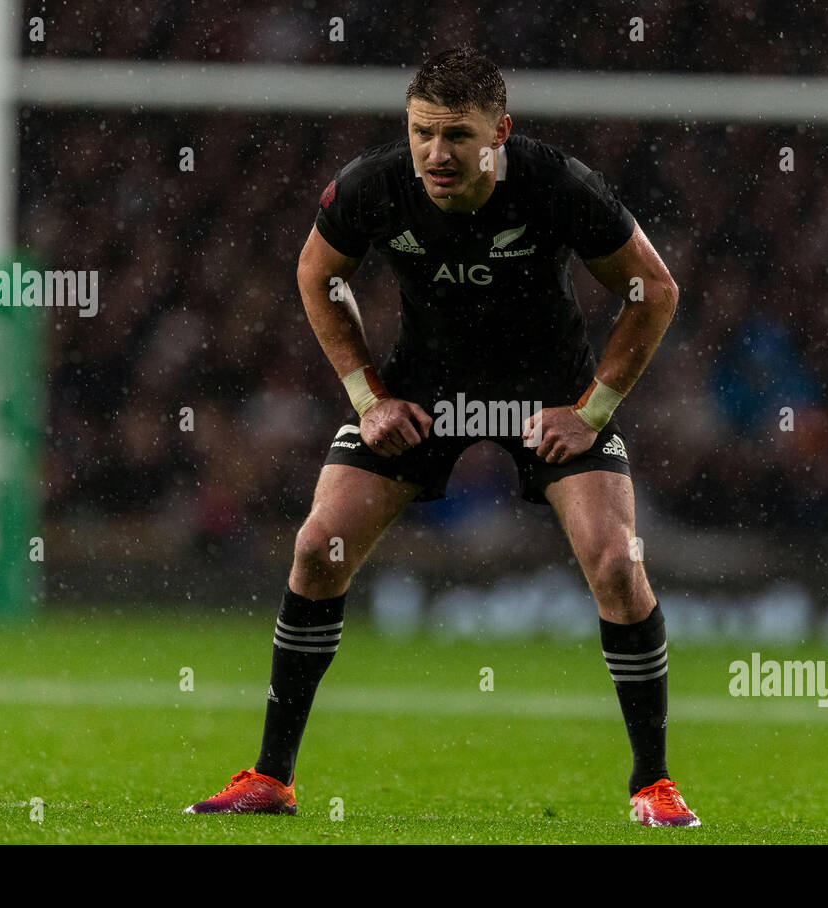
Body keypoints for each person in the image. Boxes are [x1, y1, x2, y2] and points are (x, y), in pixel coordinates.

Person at [187, 45, 697, 827]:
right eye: (423, 131)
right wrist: (368, 397)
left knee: (616, 564)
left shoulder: (556, 184)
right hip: (425, 395)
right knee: (317, 546)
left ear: (500, 132)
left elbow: (653, 289)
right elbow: (316, 274)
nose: (436, 152)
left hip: (548, 397)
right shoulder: (377, 186)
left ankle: (654, 786)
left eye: (457, 135)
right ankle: (271, 778)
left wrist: (589, 411)